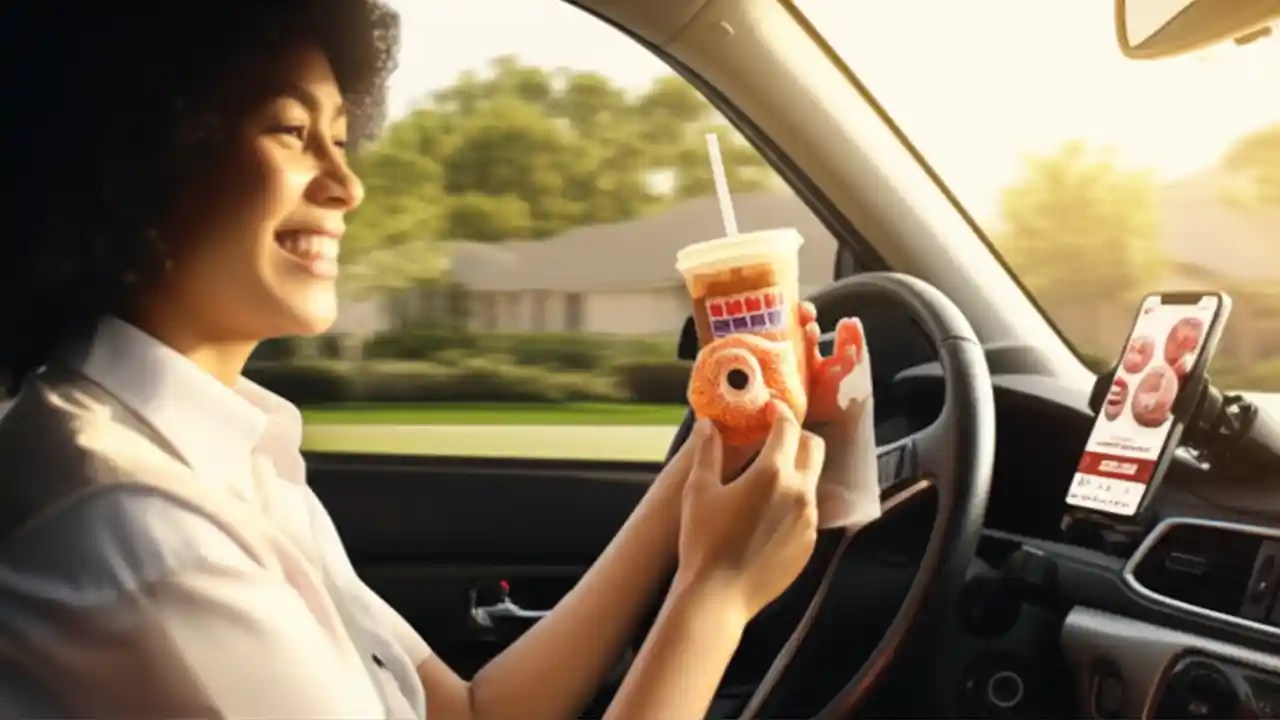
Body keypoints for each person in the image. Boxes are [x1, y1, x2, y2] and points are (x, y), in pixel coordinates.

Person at [0, 2, 869, 718]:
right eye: (291, 130)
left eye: (342, 136)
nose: (346, 185)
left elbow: (470, 711)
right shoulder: (136, 531)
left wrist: (719, 444)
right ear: (142, 157)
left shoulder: (221, 455)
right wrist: (714, 595)